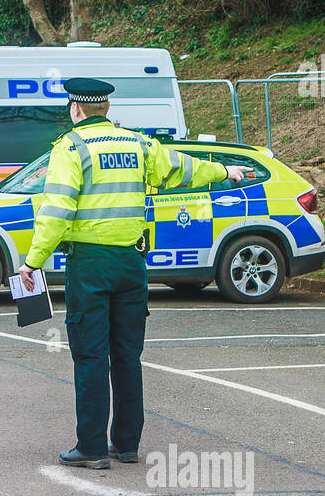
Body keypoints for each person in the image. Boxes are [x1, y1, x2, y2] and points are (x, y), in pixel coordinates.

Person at [17, 77, 248, 469]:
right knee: (127, 356)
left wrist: (33, 261)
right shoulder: (139, 144)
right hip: (131, 264)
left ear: (75, 109)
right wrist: (226, 171)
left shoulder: (70, 148)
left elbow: (56, 212)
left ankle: (90, 448)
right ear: (105, 108)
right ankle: (126, 444)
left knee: (91, 356)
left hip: (89, 264)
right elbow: (183, 168)